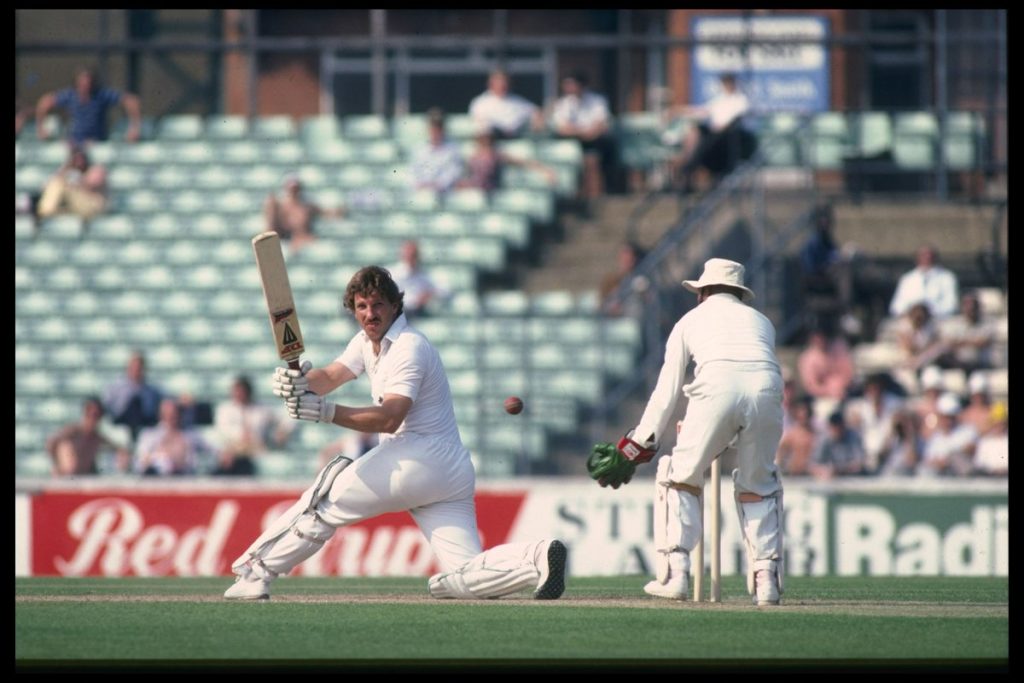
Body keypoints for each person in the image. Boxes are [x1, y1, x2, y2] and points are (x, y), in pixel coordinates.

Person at [224, 265, 567, 601]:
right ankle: (535, 558)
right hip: (449, 472)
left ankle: (257, 573)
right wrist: (299, 382)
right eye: (361, 306)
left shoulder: (408, 346)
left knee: (325, 500)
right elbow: (331, 375)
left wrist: (326, 412)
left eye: (377, 305)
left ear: (395, 306)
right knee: (458, 577)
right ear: (353, 309)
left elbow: (390, 418)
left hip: (418, 456)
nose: (369, 314)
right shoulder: (365, 342)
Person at [604, 258, 784, 606]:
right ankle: (766, 579)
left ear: (702, 292)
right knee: (758, 484)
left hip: (715, 389)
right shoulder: (763, 322)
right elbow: (749, 379)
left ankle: (676, 574)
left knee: (679, 474)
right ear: (739, 293)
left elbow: (667, 391)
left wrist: (637, 444)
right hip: (769, 389)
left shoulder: (689, 320)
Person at [669, 73, 756, 192]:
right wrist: (678, 111)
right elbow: (701, 111)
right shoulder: (719, 100)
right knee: (694, 131)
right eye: (725, 83)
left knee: (710, 137)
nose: (727, 86)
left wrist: (722, 127)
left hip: (729, 138)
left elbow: (736, 119)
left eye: (729, 83)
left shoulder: (740, 100)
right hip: (714, 136)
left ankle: (689, 167)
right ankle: (689, 167)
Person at [551, 71, 616, 202]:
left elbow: (600, 124)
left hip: (594, 140)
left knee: (593, 159)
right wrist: (582, 132)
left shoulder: (597, 100)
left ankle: (595, 195)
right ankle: (578, 195)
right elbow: (562, 128)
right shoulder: (562, 104)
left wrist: (585, 132)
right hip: (573, 142)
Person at [35, 67, 142, 145]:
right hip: (74, 143)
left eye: (88, 84)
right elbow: (45, 102)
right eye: (81, 84)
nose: (85, 87)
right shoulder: (69, 95)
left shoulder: (101, 95)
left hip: (97, 143)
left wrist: (134, 128)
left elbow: (131, 101)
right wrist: (41, 128)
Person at [212, 376, 295, 476]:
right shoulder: (225, 410)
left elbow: (287, 419)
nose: (239, 394)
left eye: (241, 391)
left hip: (257, 450)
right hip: (234, 450)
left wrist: (282, 431)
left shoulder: (261, 410)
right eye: (236, 391)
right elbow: (223, 432)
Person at [45, 396, 131, 476]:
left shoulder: (97, 437)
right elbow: (51, 442)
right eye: (89, 414)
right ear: (85, 413)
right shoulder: (73, 432)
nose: (92, 419)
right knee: (65, 447)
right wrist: (57, 465)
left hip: (81, 479)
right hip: (66, 478)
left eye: (96, 415)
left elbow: (117, 448)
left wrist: (123, 453)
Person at [458, 129, 558, 194]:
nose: (485, 142)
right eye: (482, 139)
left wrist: (545, 171)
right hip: (474, 193)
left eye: (488, 139)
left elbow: (523, 162)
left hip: (493, 193)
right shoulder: (472, 157)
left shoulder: (497, 155)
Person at [264, 174, 345, 253]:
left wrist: (338, 211)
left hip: (306, 240)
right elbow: (272, 229)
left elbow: (325, 213)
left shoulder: (306, 207)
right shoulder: (282, 207)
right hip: (289, 242)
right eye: (291, 189)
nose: (294, 192)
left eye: (296, 189)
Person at [845, 372, 906, 475]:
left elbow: (896, 432)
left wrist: (884, 451)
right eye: (871, 389)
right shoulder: (860, 407)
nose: (874, 392)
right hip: (866, 455)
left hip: (889, 453)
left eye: (877, 389)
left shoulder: (894, 405)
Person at [103, 351, 164, 445]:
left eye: (139, 368)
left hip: (145, 427)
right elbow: (107, 409)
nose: (136, 370)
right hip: (120, 426)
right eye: (134, 367)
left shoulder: (152, 391)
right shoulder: (115, 389)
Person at [135, 399, 209, 476]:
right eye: (166, 414)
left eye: (174, 414)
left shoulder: (192, 435)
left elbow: (213, 454)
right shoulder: (149, 435)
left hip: (188, 479)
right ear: (160, 415)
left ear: (179, 414)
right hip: (158, 481)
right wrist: (162, 456)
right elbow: (139, 462)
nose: (170, 418)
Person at [35, 145, 108, 221]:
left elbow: (94, 183)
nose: (79, 162)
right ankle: (45, 211)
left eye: (80, 158)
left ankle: (45, 211)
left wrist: (77, 182)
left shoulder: (95, 170)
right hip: (74, 208)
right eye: (75, 159)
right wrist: (65, 172)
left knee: (59, 184)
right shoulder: (68, 172)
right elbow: (45, 187)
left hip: (92, 206)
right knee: (57, 183)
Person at [468, 69, 544, 139]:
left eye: (504, 82)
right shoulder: (480, 102)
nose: (502, 85)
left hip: (516, 138)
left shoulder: (517, 100)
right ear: (490, 83)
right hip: (493, 142)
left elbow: (536, 111)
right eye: (498, 81)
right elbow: (481, 125)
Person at [888, 245, 959, 320]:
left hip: (937, 321)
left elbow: (951, 305)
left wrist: (927, 313)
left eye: (929, 255)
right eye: (923, 255)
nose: (926, 258)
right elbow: (896, 306)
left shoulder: (947, 277)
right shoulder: (907, 279)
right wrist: (913, 313)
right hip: (910, 322)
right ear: (917, 258)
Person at [917, 392, 976, 477]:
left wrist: (948, 460)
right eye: (945, 417)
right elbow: (929, 460)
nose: (948, 421)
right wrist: (939, 463)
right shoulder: (935, 438)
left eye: (951, 417)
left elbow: (970, 450)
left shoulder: (967, 431)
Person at [938, 290, 997, 373]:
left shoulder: (988, 322)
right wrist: (971, 341)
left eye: (973, 306)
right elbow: (949, 343)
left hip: (981, 366)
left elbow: (983, 342)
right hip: (959, 364)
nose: (970, 309)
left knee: (978, 382)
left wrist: (960, 342)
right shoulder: (955, 323)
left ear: (978, 307)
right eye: (967, 306)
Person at [409, 108, 464, 194]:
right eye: (433, 127)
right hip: (421, 192)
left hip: (444, 195)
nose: (435, 131)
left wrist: (437, 185)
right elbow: (413, 172)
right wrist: (421, 185)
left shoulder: (453, 150)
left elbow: (452, 174)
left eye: (438, 127)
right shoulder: (419, 149)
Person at [796, 325, 855, 404]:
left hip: (844, 392)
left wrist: (840, 386)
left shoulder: (839, 347)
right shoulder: (807, 358)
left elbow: (849, 372)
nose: (820, 340)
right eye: (817, 337)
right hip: (820, 398)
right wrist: (829, 391)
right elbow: (811, 386)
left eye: (821, 336)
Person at [388, 240, 447, 318]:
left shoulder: (424, 275)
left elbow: (443, 290)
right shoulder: (392, 274)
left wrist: (430, 295)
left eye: (413, 255)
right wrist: (416, 300)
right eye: (408, 255)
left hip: (419, 314)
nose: (410, 258)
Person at [810, 411, 867, 480]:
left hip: (852, 480)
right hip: (829, 481)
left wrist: (839, 470)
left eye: (839, 428)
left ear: (843, 426)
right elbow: (813, 465)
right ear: (829, 427)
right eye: (834, 428)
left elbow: (860, 464)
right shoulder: (824, 439)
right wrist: (824, 470)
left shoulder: (854, 437)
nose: (837, 431)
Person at [775, 395, 819, 476]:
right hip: (795, 476)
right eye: (800, 412)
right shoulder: (791, 435)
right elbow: (780, 456)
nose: (803, 414)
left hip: (812, 475)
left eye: (805, 411)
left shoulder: (816, 433)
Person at [973, 401, 1007, 476]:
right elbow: (979, 463)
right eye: (996, 423)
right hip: (989, 477)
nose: (999, 426)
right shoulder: (985, 441)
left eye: (1001, 423)